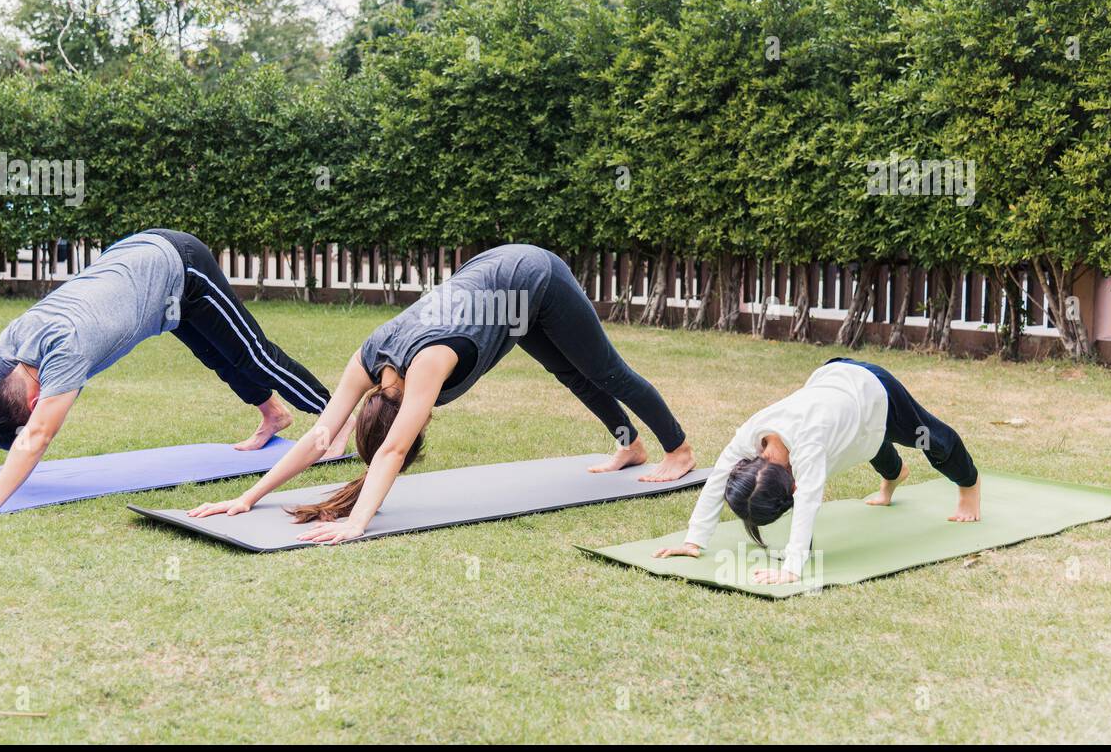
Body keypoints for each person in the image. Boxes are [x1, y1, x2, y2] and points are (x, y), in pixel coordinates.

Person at [187, 243, 697, 541]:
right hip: (493, 286)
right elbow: (322, 436)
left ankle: (679, 450)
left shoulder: (427, 363)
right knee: (569, 373)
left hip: (532, 276)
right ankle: (630, 445)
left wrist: (356, 522)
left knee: (605, 371)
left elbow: (393, 447)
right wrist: (248, 497)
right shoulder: (369, 358)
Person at [0, 229, 348, 520]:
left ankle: (337, 417)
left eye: (28, 421)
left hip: (178, 263)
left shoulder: (64, 350)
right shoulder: (13, 342)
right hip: (147, 283)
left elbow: (36, 440)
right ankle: (273, 416)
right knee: (220, 358)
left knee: (254, 354)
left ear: (29, 407)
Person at [653, 358, 981, 584]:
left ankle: (969, 485)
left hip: (873, 387)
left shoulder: (808, 445)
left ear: (791, 487)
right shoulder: (750, 439)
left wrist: (793, 567)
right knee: (862, 442)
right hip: (833, 387)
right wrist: (694, 540)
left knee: (931, 438)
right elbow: (717, 481)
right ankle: (894, 476)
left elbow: (809, 501)